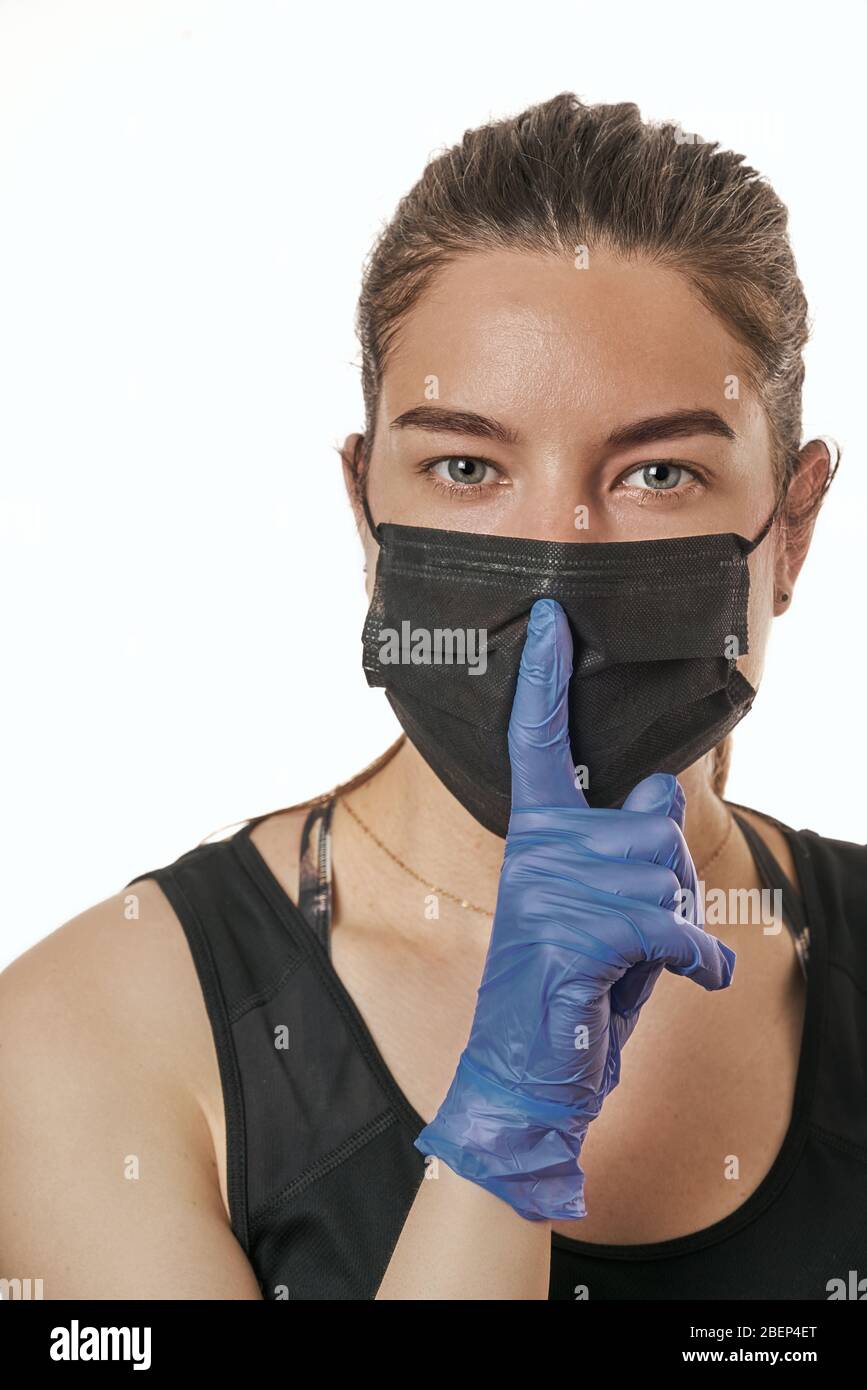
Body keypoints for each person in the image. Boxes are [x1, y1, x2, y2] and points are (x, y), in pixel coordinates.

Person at [2, 92, 864, 1303]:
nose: (558, 564)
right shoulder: (92, 1038)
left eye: (659, 471)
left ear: (797, 526)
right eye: (467, 466)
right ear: (368, 512)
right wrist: (508, 1123)